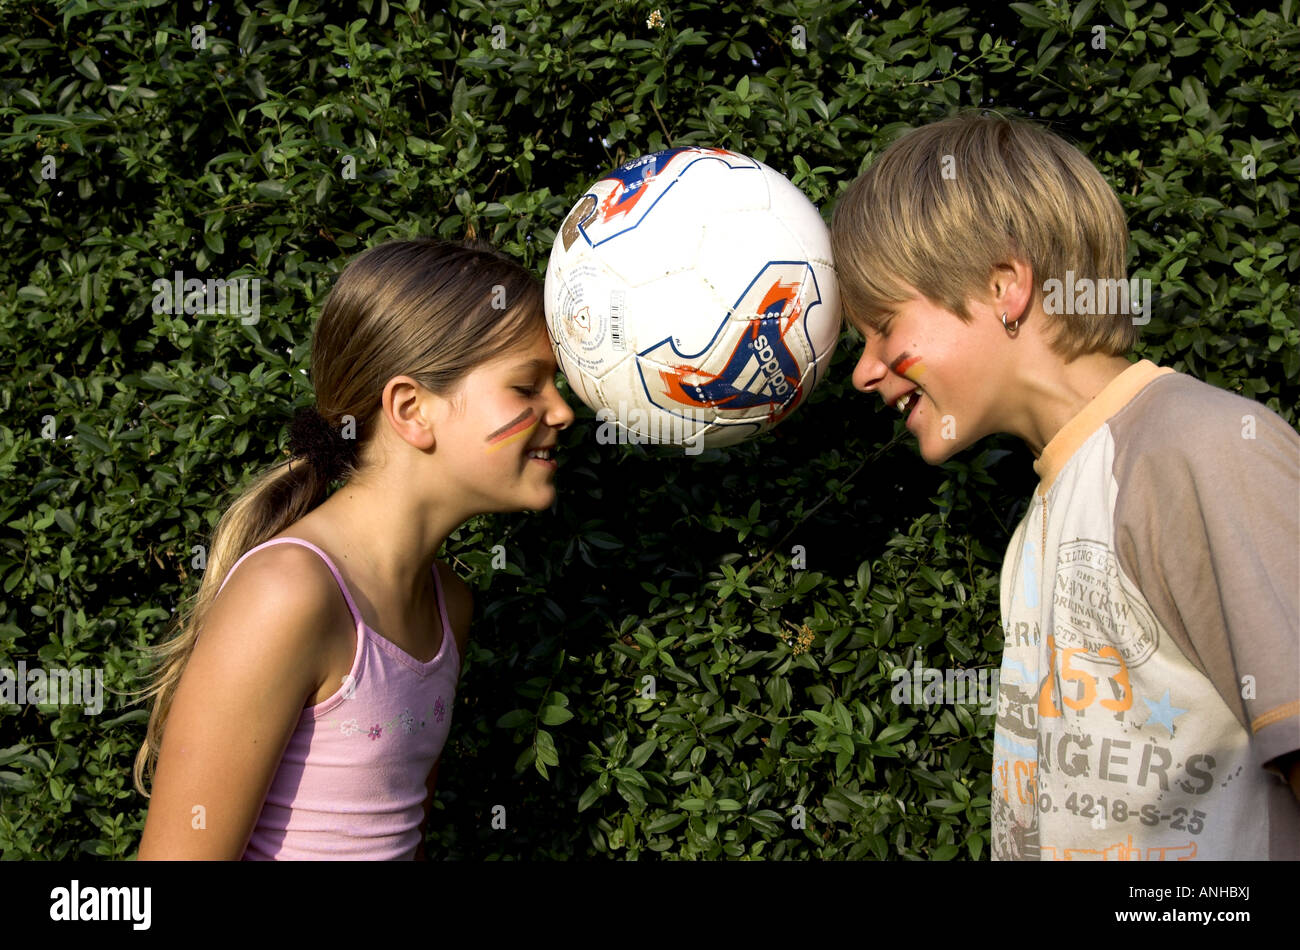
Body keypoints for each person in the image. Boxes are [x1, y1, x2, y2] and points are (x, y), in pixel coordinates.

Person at [830, 113, 1300, 860]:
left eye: (884, 325)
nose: (863, 369)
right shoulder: (1045, 516)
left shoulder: (1202, 451)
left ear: (1006, 287)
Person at [133, 238, 574, 859]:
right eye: (528, 386)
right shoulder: (290, 593)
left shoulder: (448, 602)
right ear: (412, 409)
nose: (561, 410)